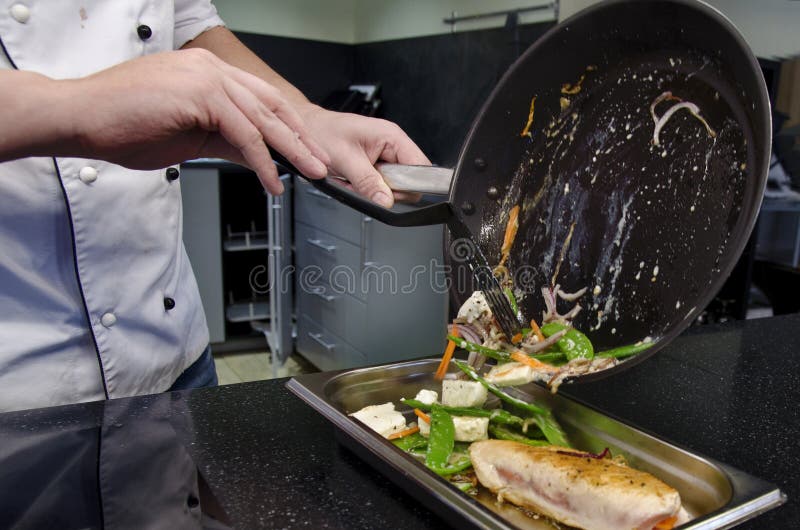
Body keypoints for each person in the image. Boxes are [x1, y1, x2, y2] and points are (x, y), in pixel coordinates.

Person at [0, 1, 430, 412]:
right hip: (22, 382)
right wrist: (75, 107)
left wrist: (305, 119)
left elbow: (192, 24)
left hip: (176, 356)